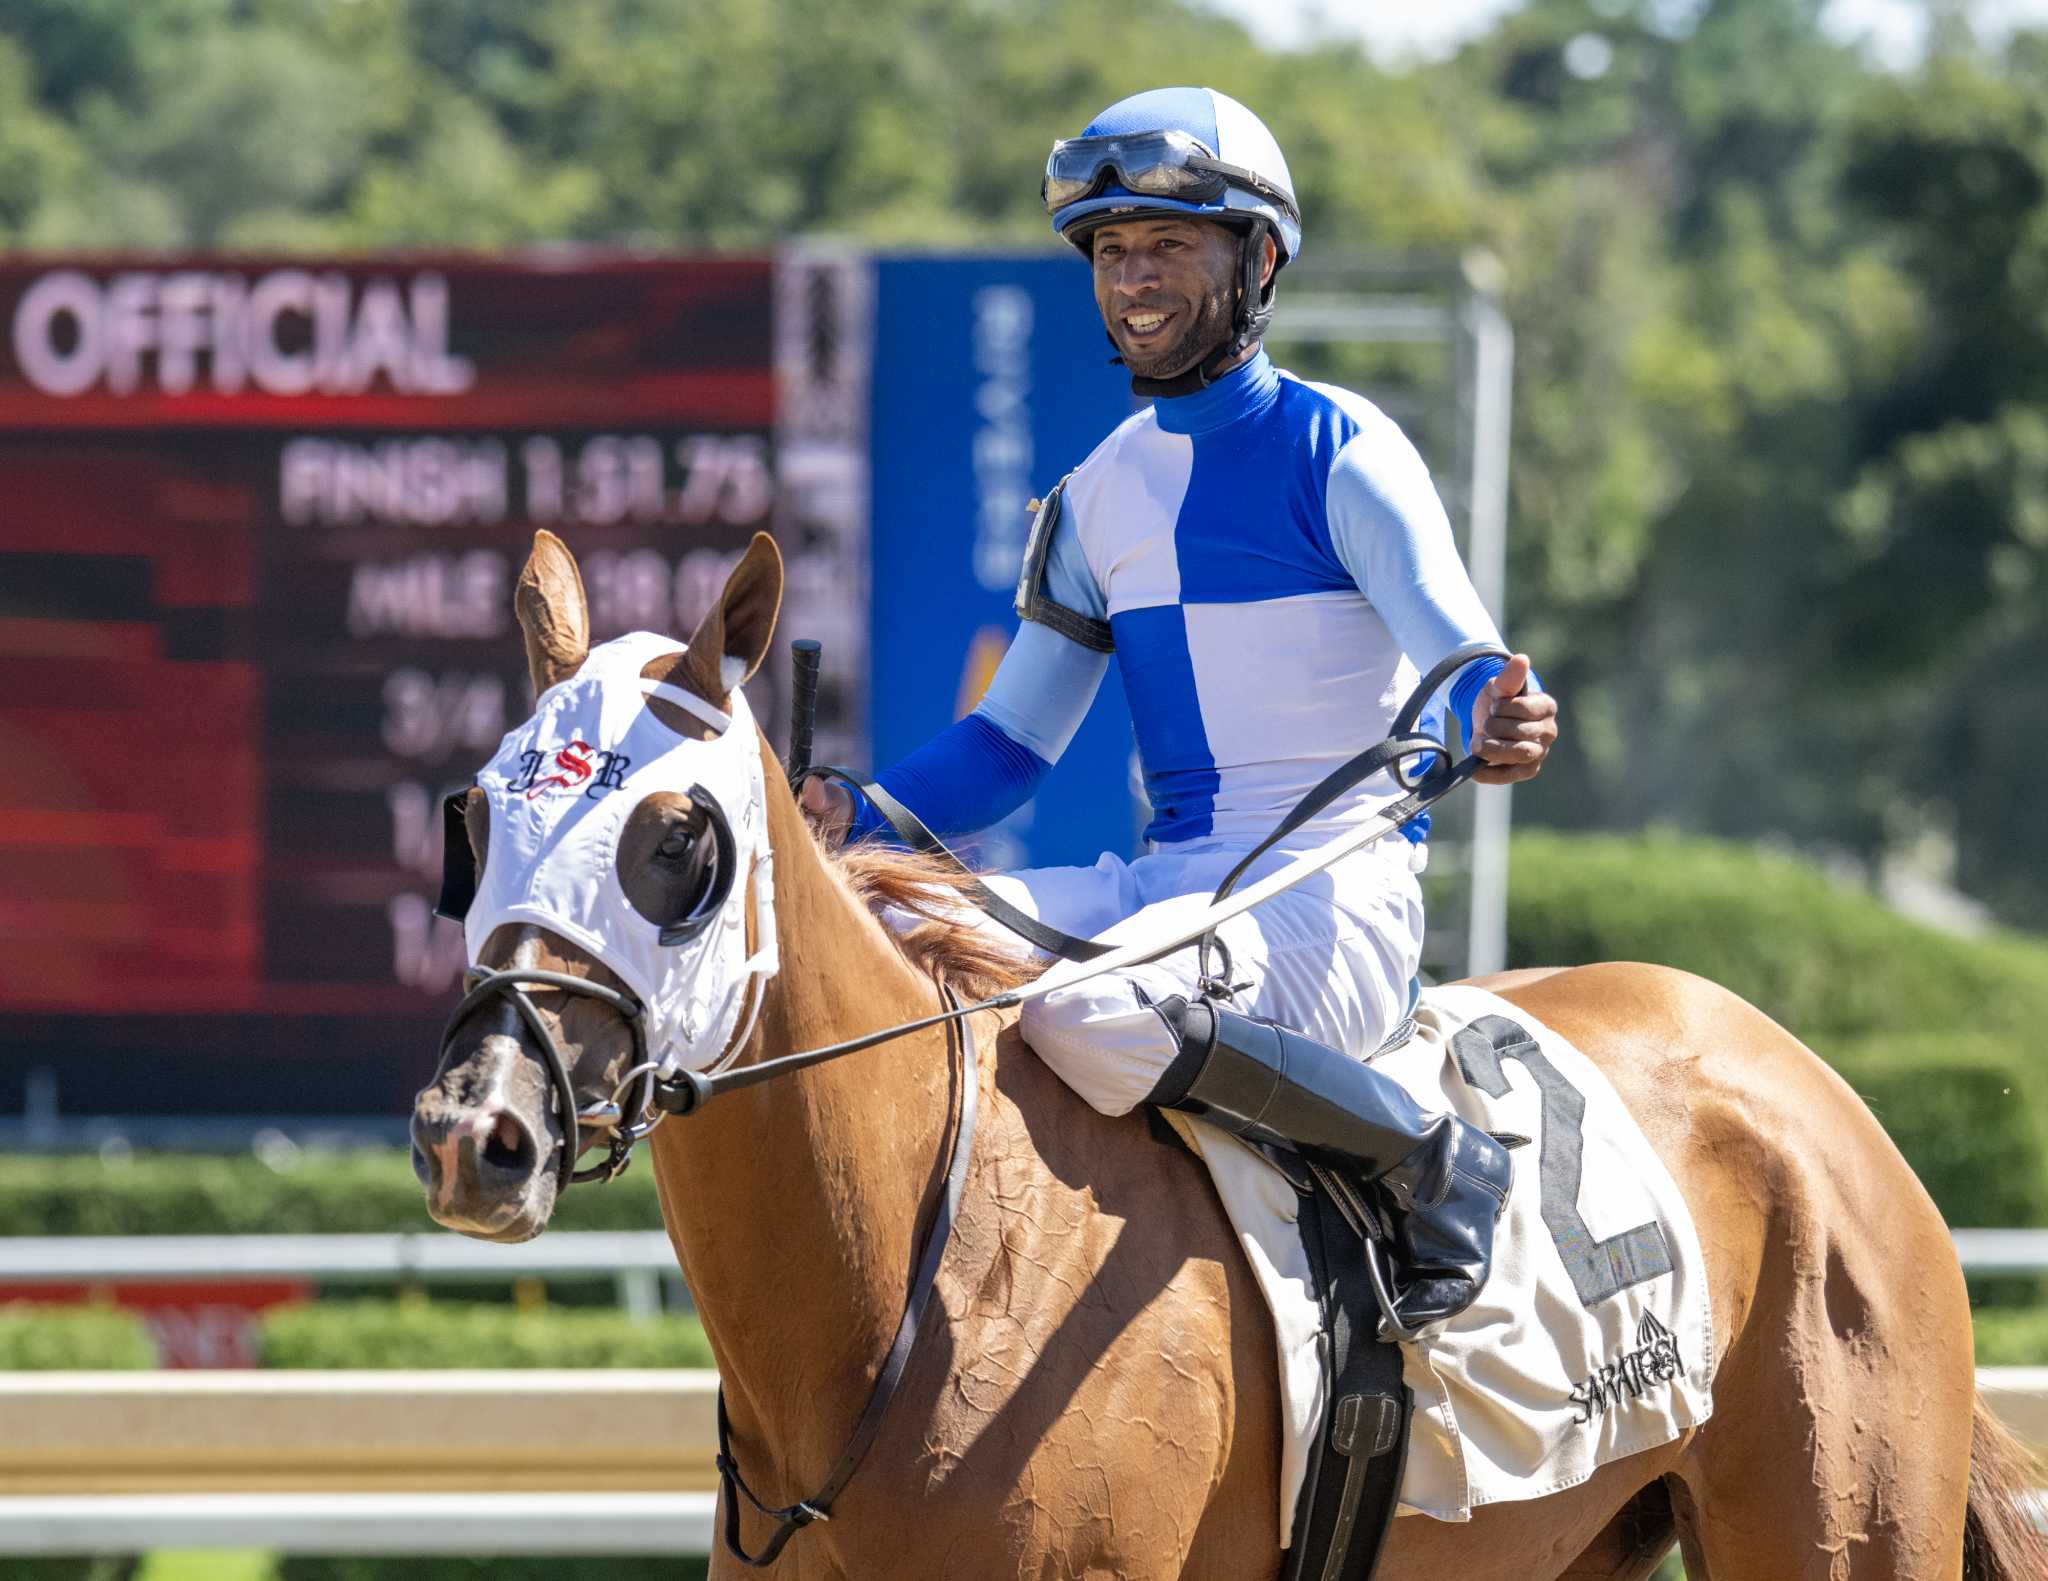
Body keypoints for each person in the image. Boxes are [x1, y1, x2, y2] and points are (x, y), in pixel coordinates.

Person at [803, 86, 1559, 1334]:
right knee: (882, 937)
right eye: (1109, 250)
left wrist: (1496, 717)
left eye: (1166, 245)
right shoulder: (1094, 496)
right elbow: (1007, 744)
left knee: (1084, 1004)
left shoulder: (1342, 448)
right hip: (1176, 890)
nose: (1132, 279)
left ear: (1259, 258)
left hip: (1329, 901)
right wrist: (862, 812)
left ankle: (1430, 1160)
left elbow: (1461, 653)